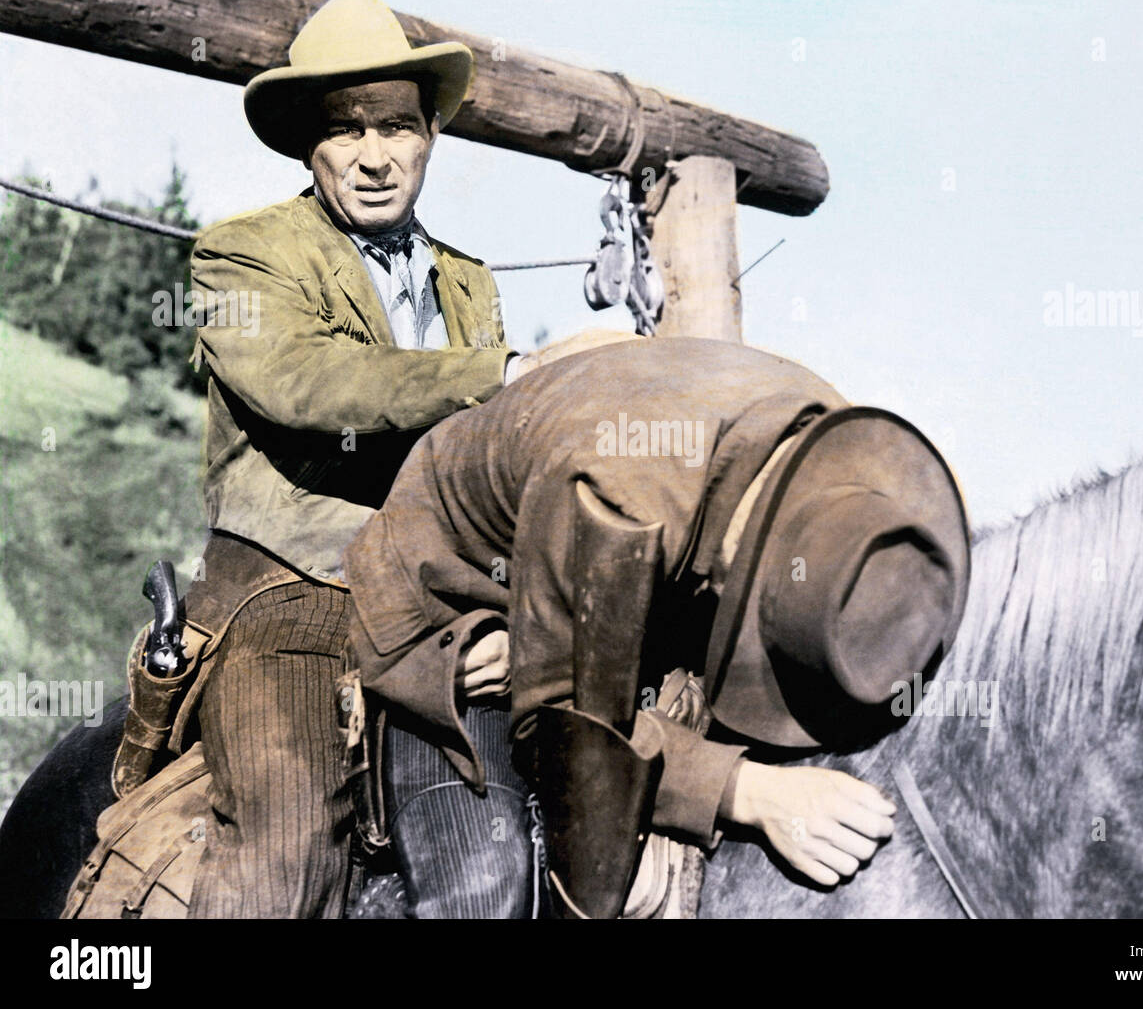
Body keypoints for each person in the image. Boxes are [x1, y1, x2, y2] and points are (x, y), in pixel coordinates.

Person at [154, 0, 597, 918]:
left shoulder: (468, 284)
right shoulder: (244, 254)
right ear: (308, 144)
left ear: (430, 135)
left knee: (507, 863)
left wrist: (522, 615)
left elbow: (491, 476)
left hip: (441, 609)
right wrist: (508, 373)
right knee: (283, 850)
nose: (372, 153)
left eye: (396, 123)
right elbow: (304, 381)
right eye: (346, 126)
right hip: (292, 596)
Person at [344, 336, 971, 918]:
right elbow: (563, 730)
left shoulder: (834, 454)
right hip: (463, 593)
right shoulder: (616, 497)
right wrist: (751, 792)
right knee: (485, 892)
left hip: (638, 590)